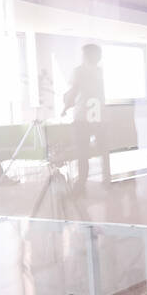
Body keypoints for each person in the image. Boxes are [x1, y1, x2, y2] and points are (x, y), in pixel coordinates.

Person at [62, 44, 105, 194]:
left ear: (86, 56)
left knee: (82, 153)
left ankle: (81, 186)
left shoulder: (79, 71)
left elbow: (74, 92)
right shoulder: (99, 72)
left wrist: (65, 108)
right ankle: (103, 181)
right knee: (100, 151)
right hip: (97, 118)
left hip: (82, 118)